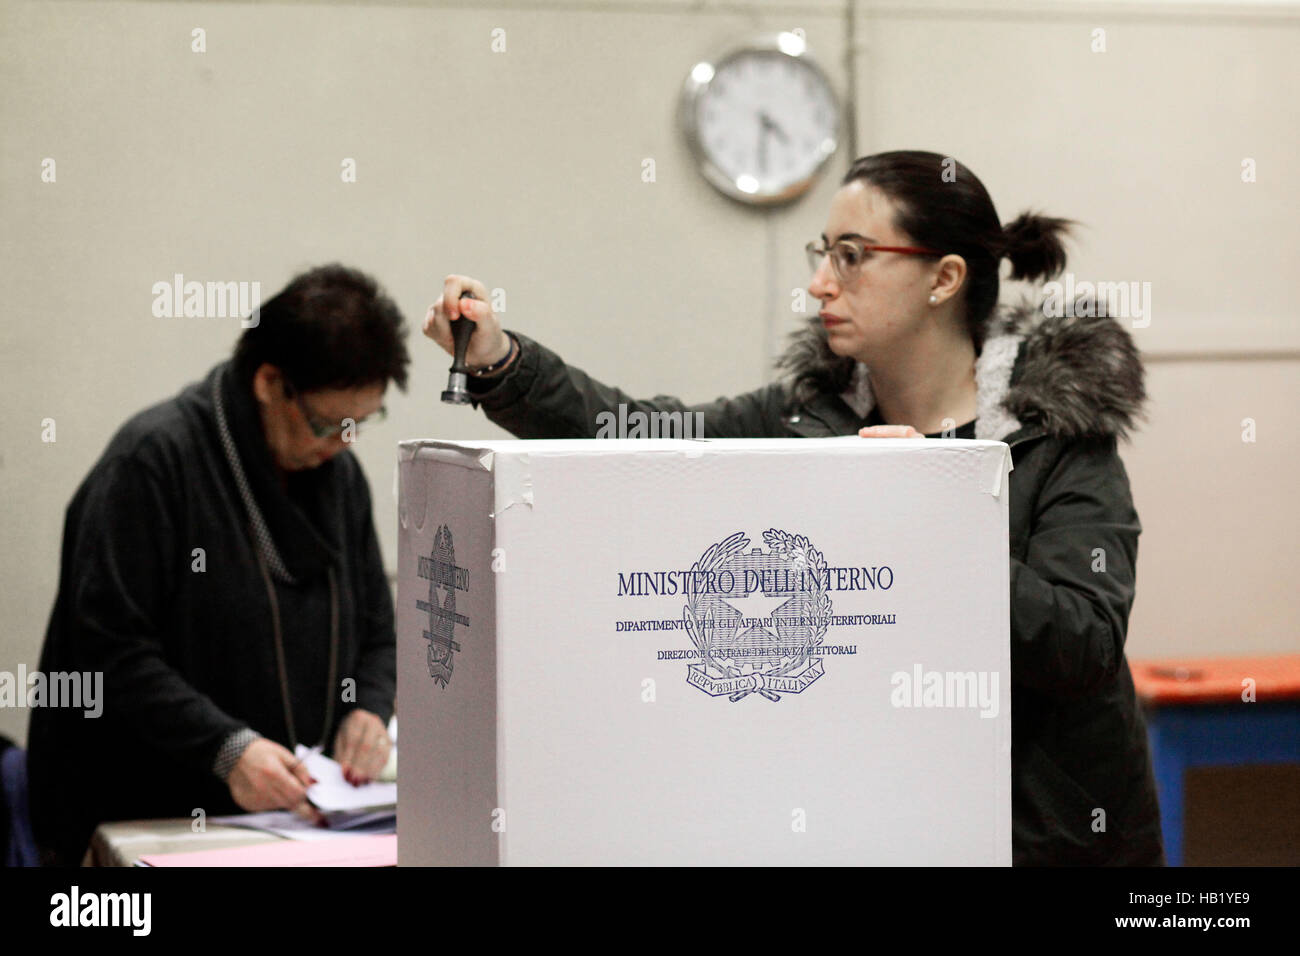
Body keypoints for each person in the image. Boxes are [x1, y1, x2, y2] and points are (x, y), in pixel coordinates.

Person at [422, 150, 1164, 866]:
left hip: (1042, 840)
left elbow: (1083, 644)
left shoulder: (1058, 434)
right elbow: (637, 430)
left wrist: (936, 510)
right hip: (866, 825)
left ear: (943, 278)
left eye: (851, 255)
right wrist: (502, 363)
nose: (818, 284)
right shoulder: (808, 412)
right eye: (823, 251)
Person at [28, 264, 407, 866]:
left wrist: (370, 704)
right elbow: (111, 652)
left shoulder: (338, 476)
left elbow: (378, 628)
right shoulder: (154, 463)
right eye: (326, 423)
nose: (342, 443)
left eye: (359, 424)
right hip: (154, 811)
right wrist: (226, 749)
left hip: (299, 821)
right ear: (268, 382)